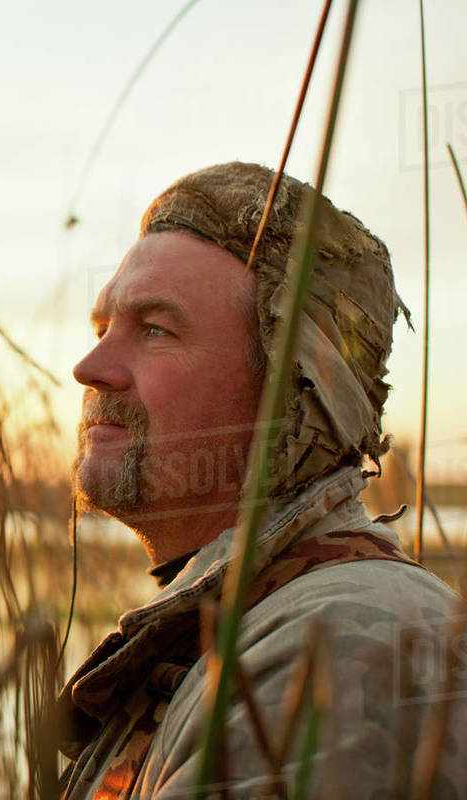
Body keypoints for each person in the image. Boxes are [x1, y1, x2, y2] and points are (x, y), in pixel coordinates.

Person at [56, 162, 466, 798]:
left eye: (156, 329)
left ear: (296, 390)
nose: (90, 367)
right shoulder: (243, 624)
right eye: (103, 328)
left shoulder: (339, 644)